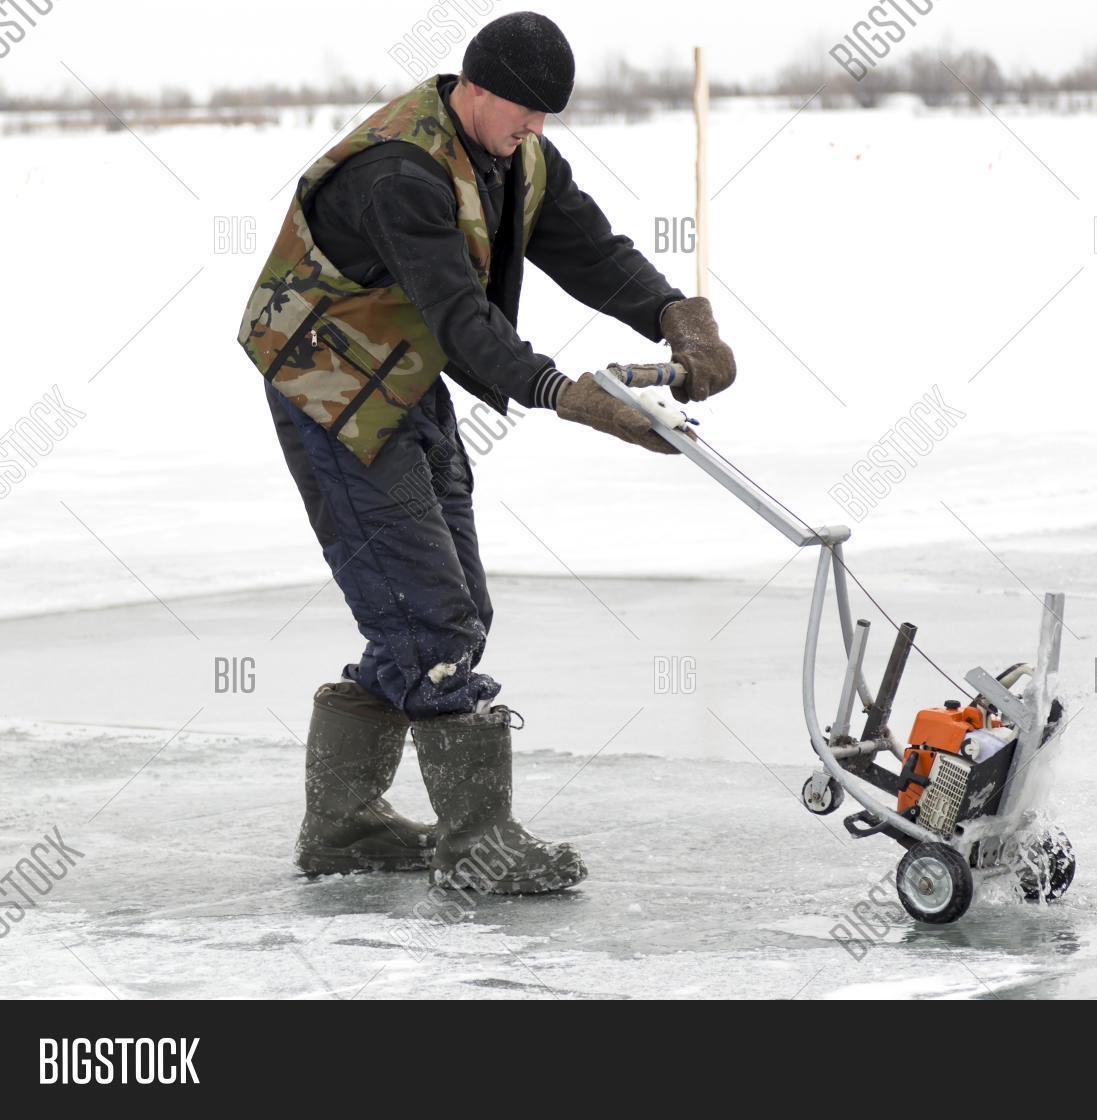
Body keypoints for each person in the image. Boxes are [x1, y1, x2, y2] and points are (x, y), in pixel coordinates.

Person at [235, 12, 735, 894]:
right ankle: (478, 845)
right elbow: (459, 318)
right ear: (474, 86)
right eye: (524, 110)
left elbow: (590, 249)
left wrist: (675, 316)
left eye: (548, 114)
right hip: (328, 390)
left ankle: (345, 828)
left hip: (400, 377)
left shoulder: (518, 156)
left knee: (453, 606)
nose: (536, 128)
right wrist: (564, 394)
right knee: (428, 618)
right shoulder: (400, 172)